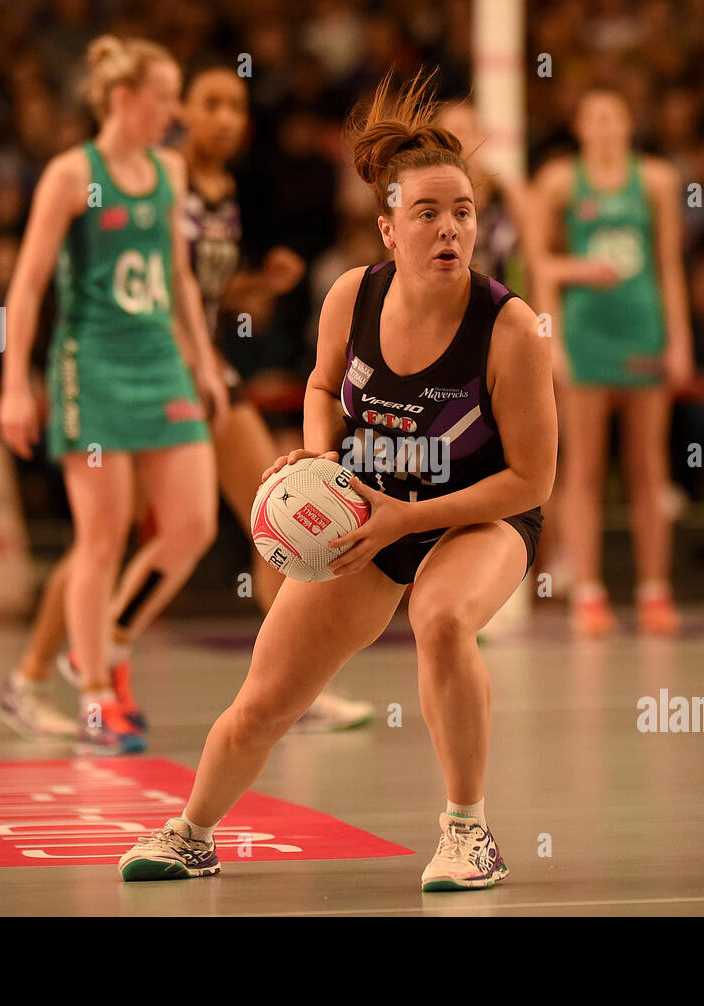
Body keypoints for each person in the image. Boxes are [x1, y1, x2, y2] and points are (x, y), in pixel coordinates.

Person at [118, 71, 557, 890]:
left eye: (461, 212)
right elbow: (322, 388)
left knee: (443, 618)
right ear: (388, 229)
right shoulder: (351, 297)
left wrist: (404, 518)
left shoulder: (511, 329)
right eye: (426, 214)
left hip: (481, 514)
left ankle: (469, 834)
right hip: (370, 511)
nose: (448, 229)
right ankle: (192, 833)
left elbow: (532, 480)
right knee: (266, 697)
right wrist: (323, 458)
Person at [0, 58, 372, 742]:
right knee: (230, 517)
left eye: (236, 105)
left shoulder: (210, 189)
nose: (220, 118)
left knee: (199, 525)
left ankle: (73, 659)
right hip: (116, 365)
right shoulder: (103, 173)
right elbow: (45, 282)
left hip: (181, 364)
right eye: (203, 103)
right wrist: (15, 381)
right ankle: (76, 669)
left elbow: (190, 290)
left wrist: (252, 293)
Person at [0, 35, 228, 755]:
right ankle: (95, 695)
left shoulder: (171, 170)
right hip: (90, 363)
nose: (175, 112)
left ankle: (104, 645)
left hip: (157, 358)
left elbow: (181, 277)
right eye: (165, 98)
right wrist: (14, 383)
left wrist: (205, 359)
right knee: (100, 536)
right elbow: (28, 284)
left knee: (192, 524)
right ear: (125, 99)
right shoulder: (72, 174)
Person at [529, 87, 693, 637]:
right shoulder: (557, 180)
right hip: (585, 337)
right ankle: (590, 591)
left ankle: (654, 589)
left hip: (643, 330)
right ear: (578, 126)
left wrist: (679, 340)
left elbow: (668, 263)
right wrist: (552, 340)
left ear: (629, 122)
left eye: (614, 116)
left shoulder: (656, 180)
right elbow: (539, 264)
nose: (603, 126)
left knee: (649, 466)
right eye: (593, 116)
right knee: (584, 469)